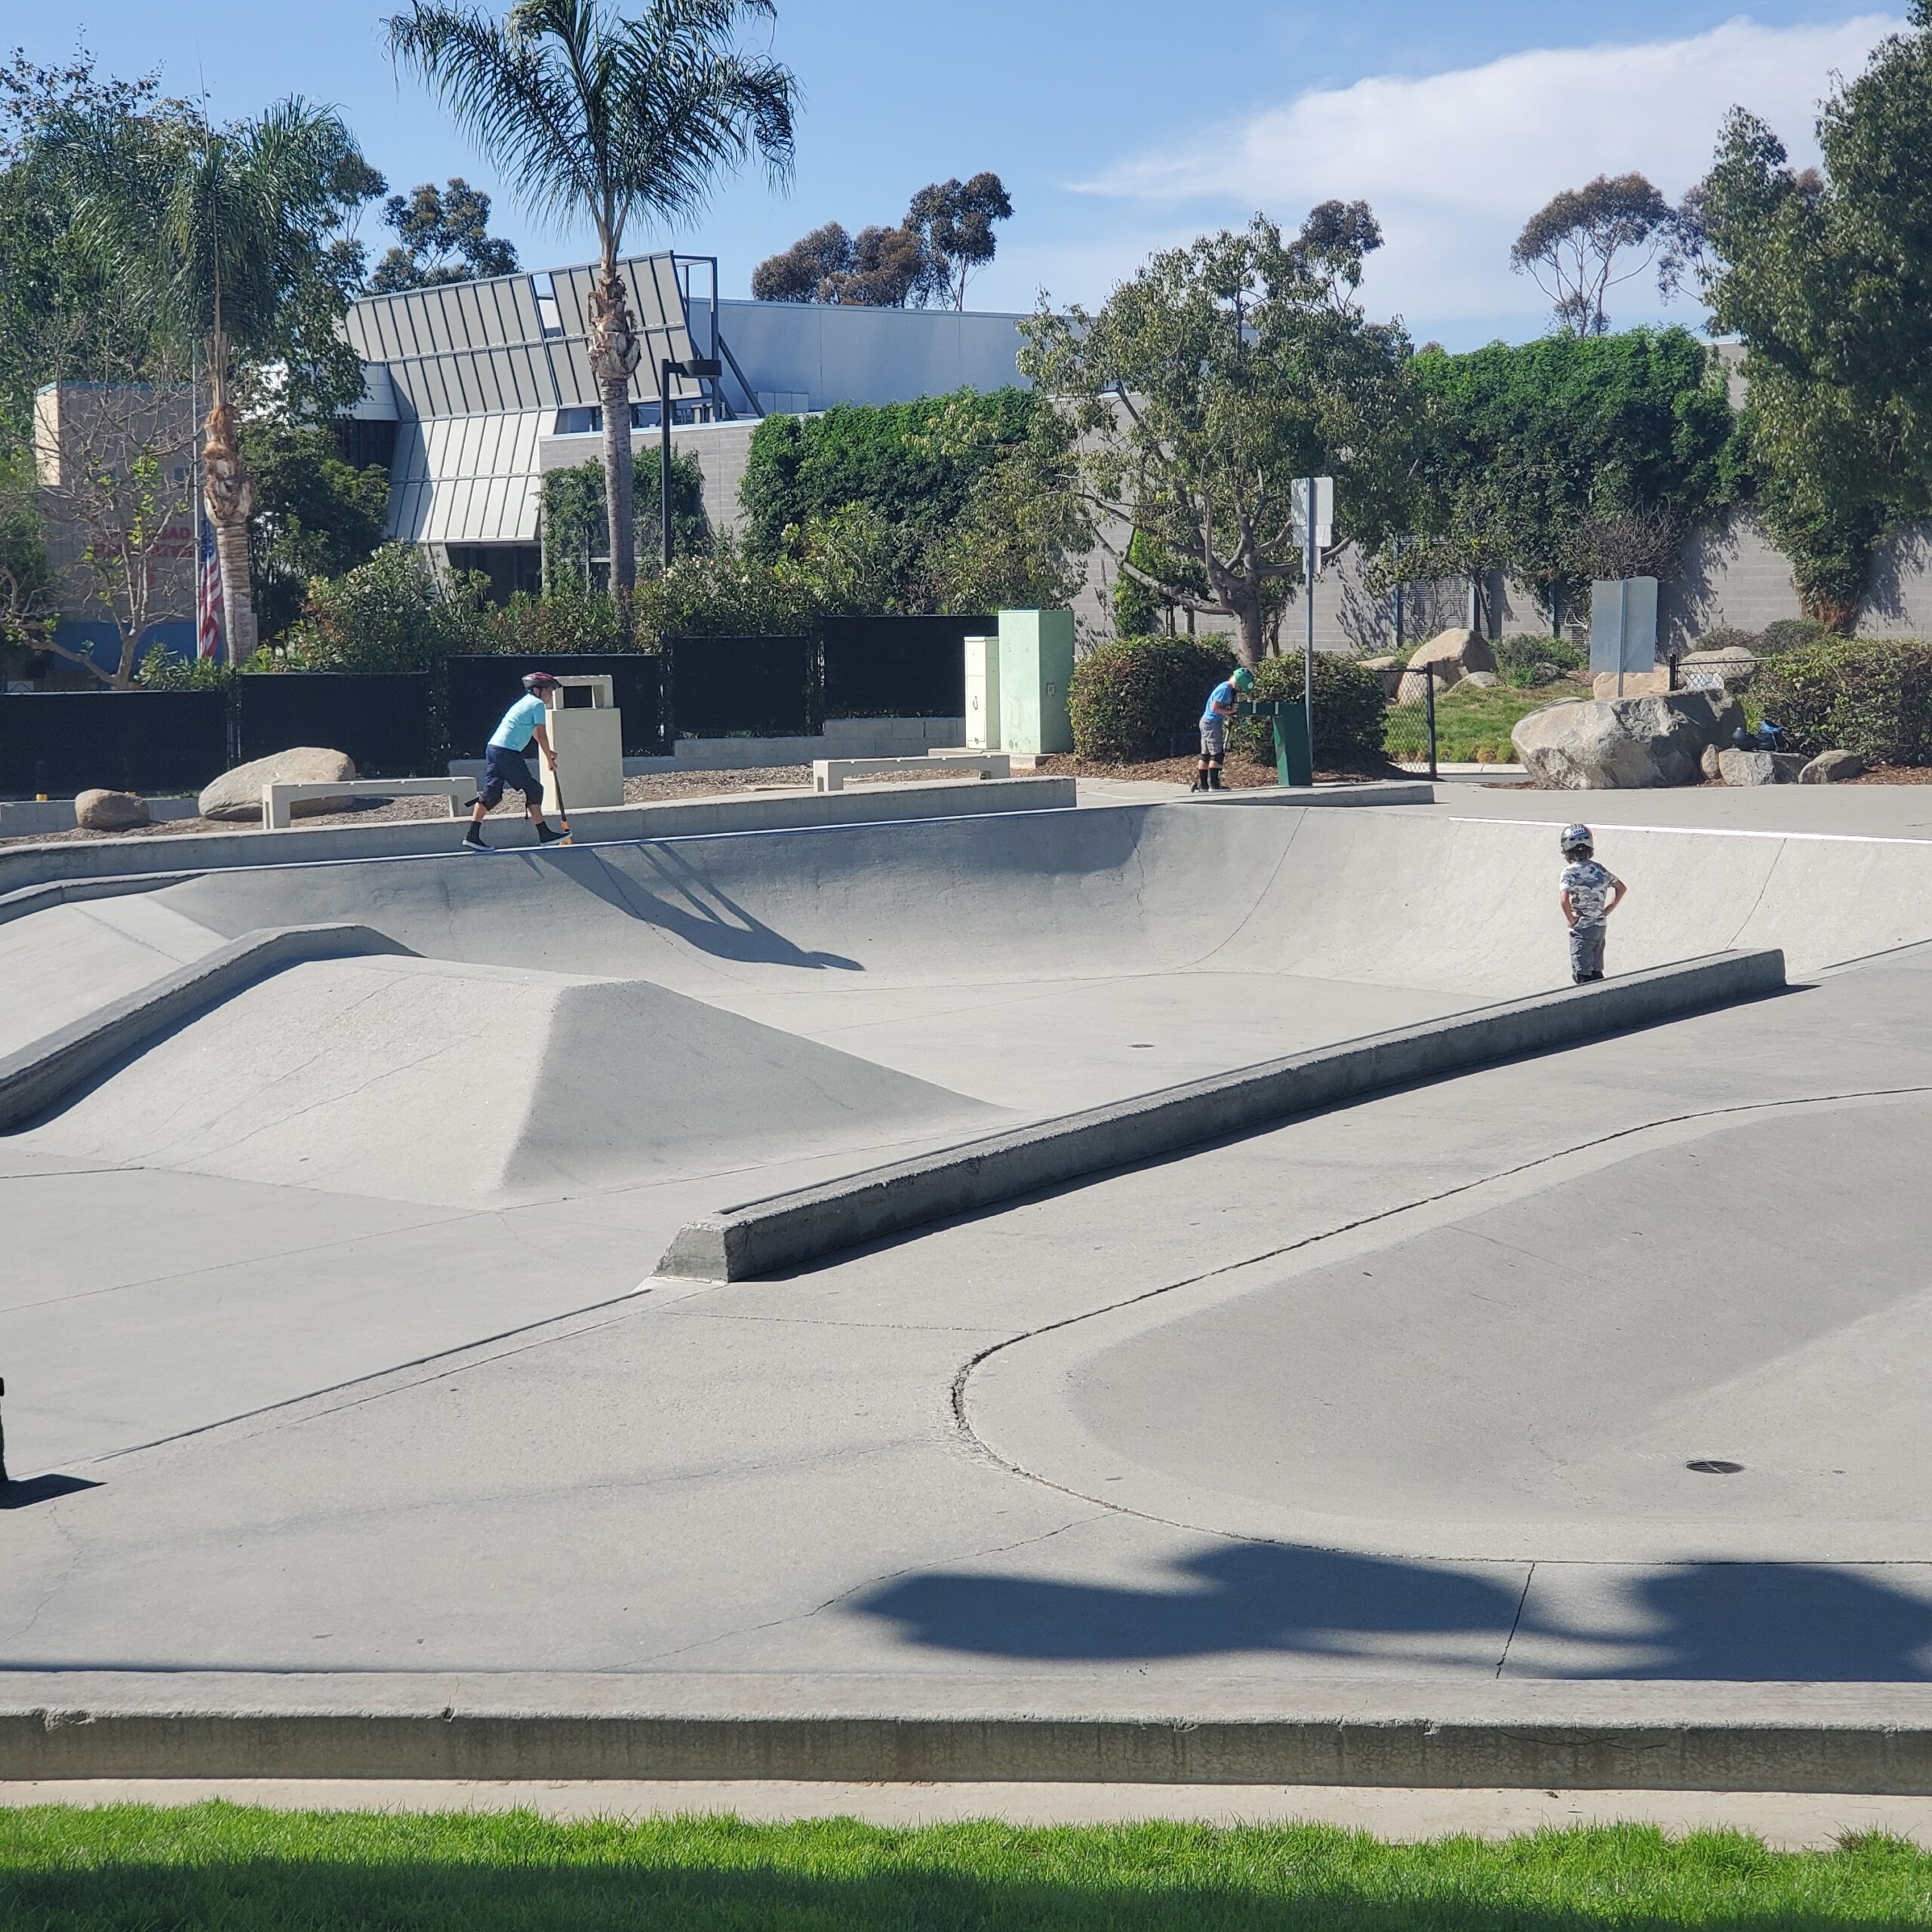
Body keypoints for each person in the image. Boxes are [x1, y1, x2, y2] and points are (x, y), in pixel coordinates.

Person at [466, 672, 565, 850]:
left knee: (492, 794)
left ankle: (472, 836)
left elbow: (533, 731)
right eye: (549, 690)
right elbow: (542, 734)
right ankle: (544, 834)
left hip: (494, 749)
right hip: (507, 752)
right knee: (534, 788)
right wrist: (548, 758)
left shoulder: (525, 703)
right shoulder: (537, 704)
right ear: (537, 690)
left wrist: (548, 752)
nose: (551, 694)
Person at [1558, 823, 1628, 983]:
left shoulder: (1568, 872)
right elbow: (1621, 888)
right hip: (1599, 928)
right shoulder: (1599, 869)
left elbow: (1564, 899)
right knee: (1597, 974)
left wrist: (1570, 919)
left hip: (1582, 930)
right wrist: (1607, 910)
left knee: (1582, 975)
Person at [1196, 665, 1255, 791]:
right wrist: (1229, 711)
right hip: (1211, 723)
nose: (1240, 691)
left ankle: (1203, 785)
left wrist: (1228, 715)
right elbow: (1215, 708)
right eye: (1240, 688)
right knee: (1217, 753)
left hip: (1209, 722)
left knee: (1206, 754)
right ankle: (1214, 784)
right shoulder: (1224, 689)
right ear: (1237, 683)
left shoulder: (1228, 690)